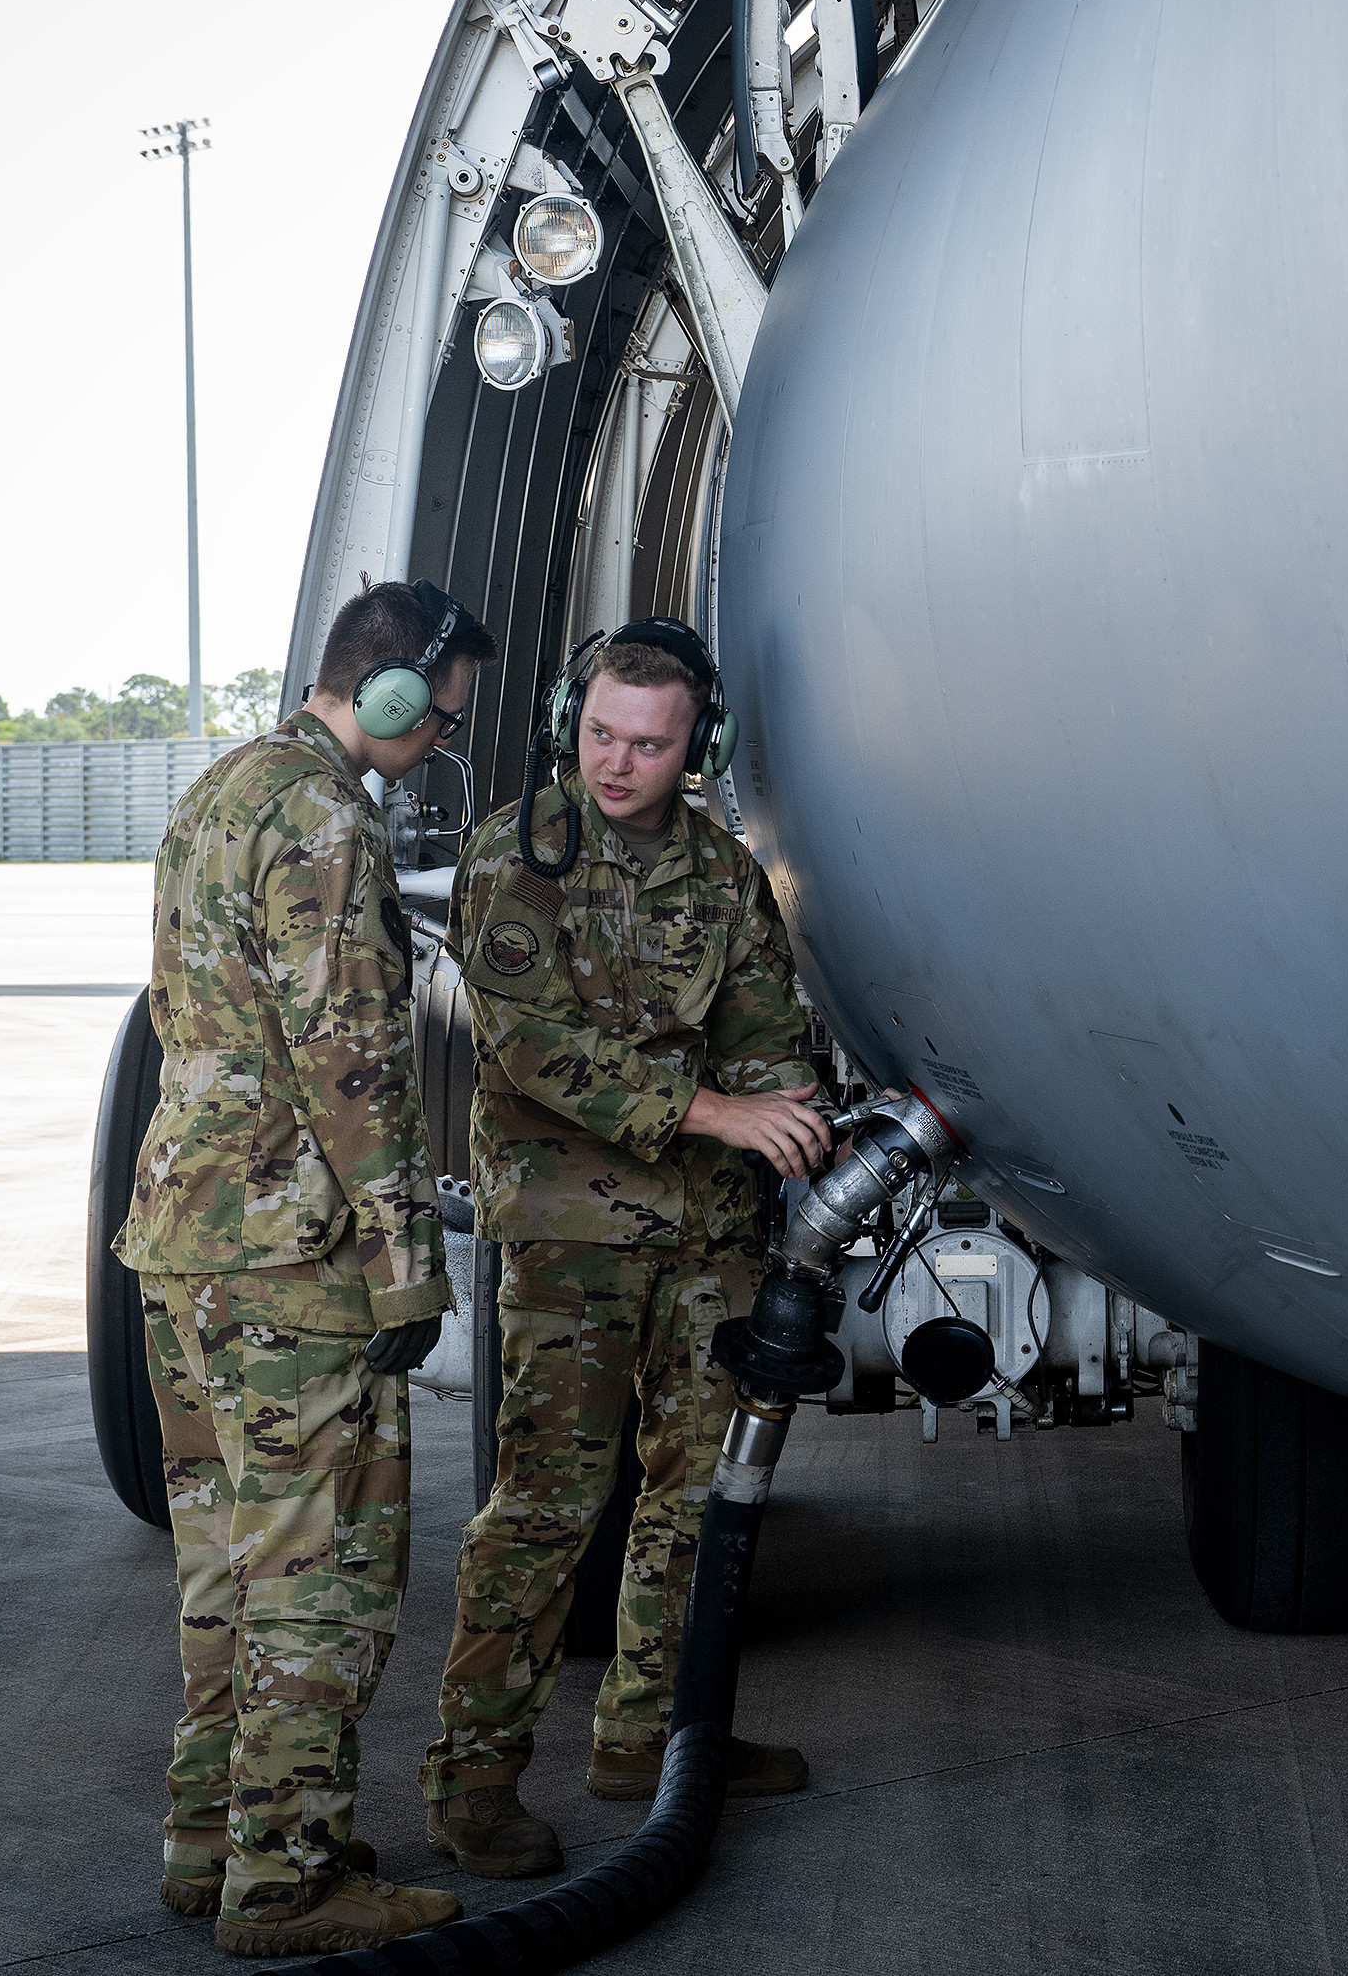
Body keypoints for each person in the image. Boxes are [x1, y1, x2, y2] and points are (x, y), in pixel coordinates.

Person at [121, 579, 496, 1956]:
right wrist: (406, 1261)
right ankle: (287, 1881)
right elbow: (353, 1059)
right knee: (319, 1570)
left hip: (187, 1236)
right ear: (388, 691)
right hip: (291, 1253)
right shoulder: (329, 819)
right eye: (442, 718)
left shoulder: (223, 787)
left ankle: (212, 1837)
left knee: (226, 1557)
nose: (442, 742)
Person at [421, 620, 830, 1877]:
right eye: (600, 733)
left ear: (696, 744)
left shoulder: (721, 874)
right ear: (570, 721)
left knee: (700, 1501)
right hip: (571, 1238)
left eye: (648, 744)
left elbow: (762, 1031)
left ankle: (654, 1738)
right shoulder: (519, 854)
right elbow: (529, 1049)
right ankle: (474, 1782)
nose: (616, 762)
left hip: (706, 1238)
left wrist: (792, 1113)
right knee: (546, 1510)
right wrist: (718, 1112)